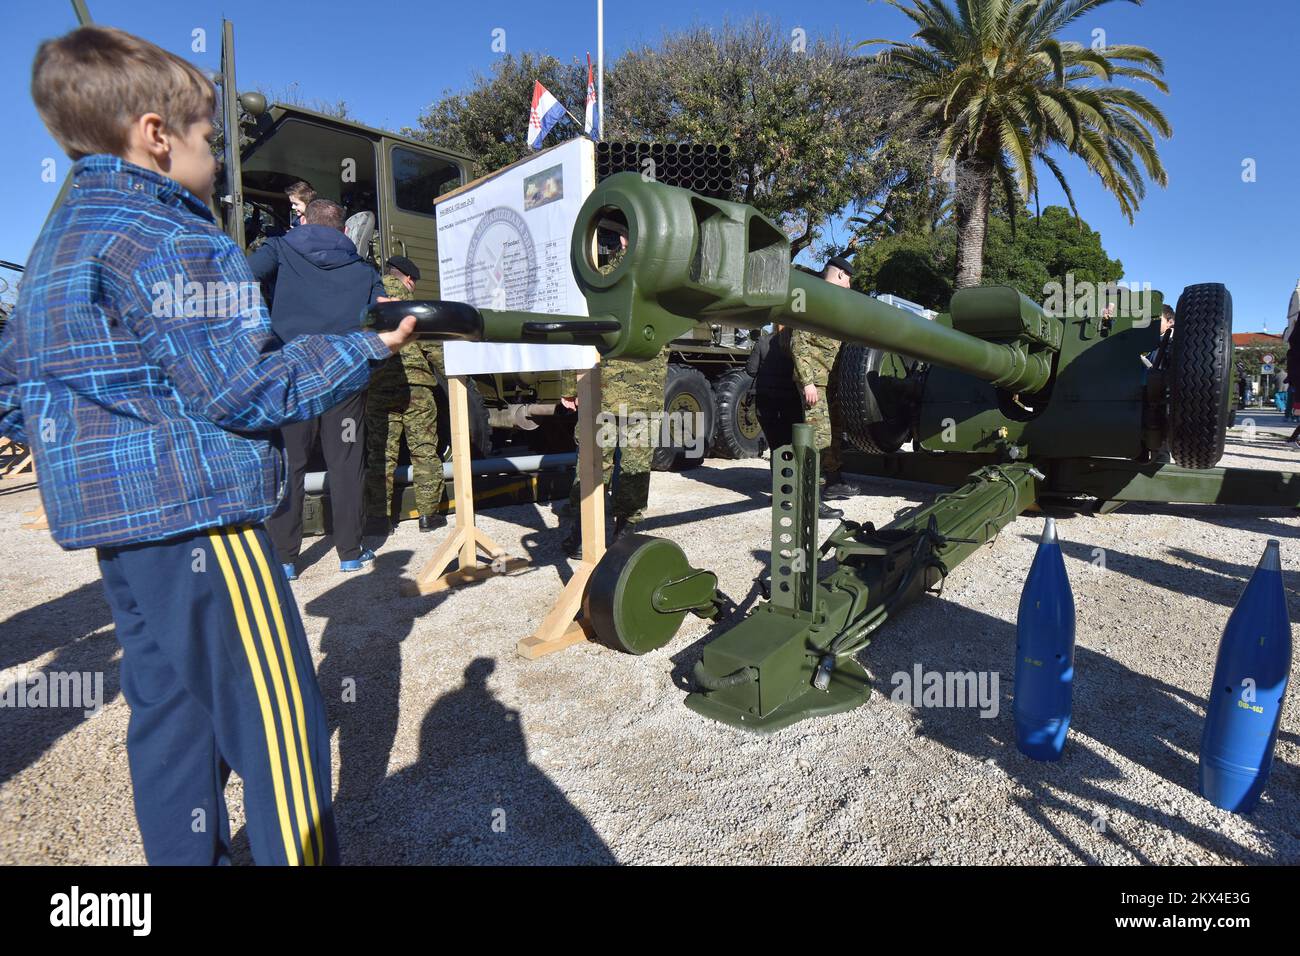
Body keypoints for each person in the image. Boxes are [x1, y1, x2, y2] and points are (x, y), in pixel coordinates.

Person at [0, 25, 416, 865]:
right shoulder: (170, 234)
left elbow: (16, 393)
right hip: (203, 521)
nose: (219, 159)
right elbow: (243, 386)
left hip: (125, 532)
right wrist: (366, 349)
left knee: (171, 715)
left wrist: (102, 447)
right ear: (155, 135)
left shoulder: (59, 239)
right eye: (207, 137)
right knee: (277, 720)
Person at [248, 198, 385, 575]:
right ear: (343, 230)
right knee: (345, 462)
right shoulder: (364, 270)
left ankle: (286, 559)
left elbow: (241, 278)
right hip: (343, 376)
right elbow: (382, 317)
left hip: (292, 373)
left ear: (303, 220)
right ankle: (350, 552)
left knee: (289, 464)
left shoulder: (278, 248)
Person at [558, 221, 669, 558]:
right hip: (645, 397)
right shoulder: (663, 285)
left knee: (593, 464)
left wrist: (568, 385)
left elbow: (576, 332)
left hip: (603, 391)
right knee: (635, 466)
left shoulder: (600, 281)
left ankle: (581, 535)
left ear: (623, 240)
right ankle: (626, 535)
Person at [365, 256, 447, 532]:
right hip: (415, 388)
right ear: (409, 279)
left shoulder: (369, 298)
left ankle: (379, 518)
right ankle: (428, 516)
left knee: (381, 453)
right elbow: (434, 349)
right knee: (423, 450)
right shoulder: (414, 306)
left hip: (378, 386)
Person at [790, 255, 856, 519]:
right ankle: (812, 500)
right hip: (814, 383)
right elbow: (798, 342)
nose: (850, 286)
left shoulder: (834, 302)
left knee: (834, 435)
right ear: (840, 274)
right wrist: (807, 382)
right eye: (849, 279)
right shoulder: (814, 299)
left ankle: (833, 483)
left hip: (830, 384)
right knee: (818, 440)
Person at [747, 324, 802, 452]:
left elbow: (751, 370)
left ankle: (776, 471)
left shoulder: (762, 341)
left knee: (774, 444)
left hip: (765, 399)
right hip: (791, 399)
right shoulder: (795, 342)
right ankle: (790, 470)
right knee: (791, 442)